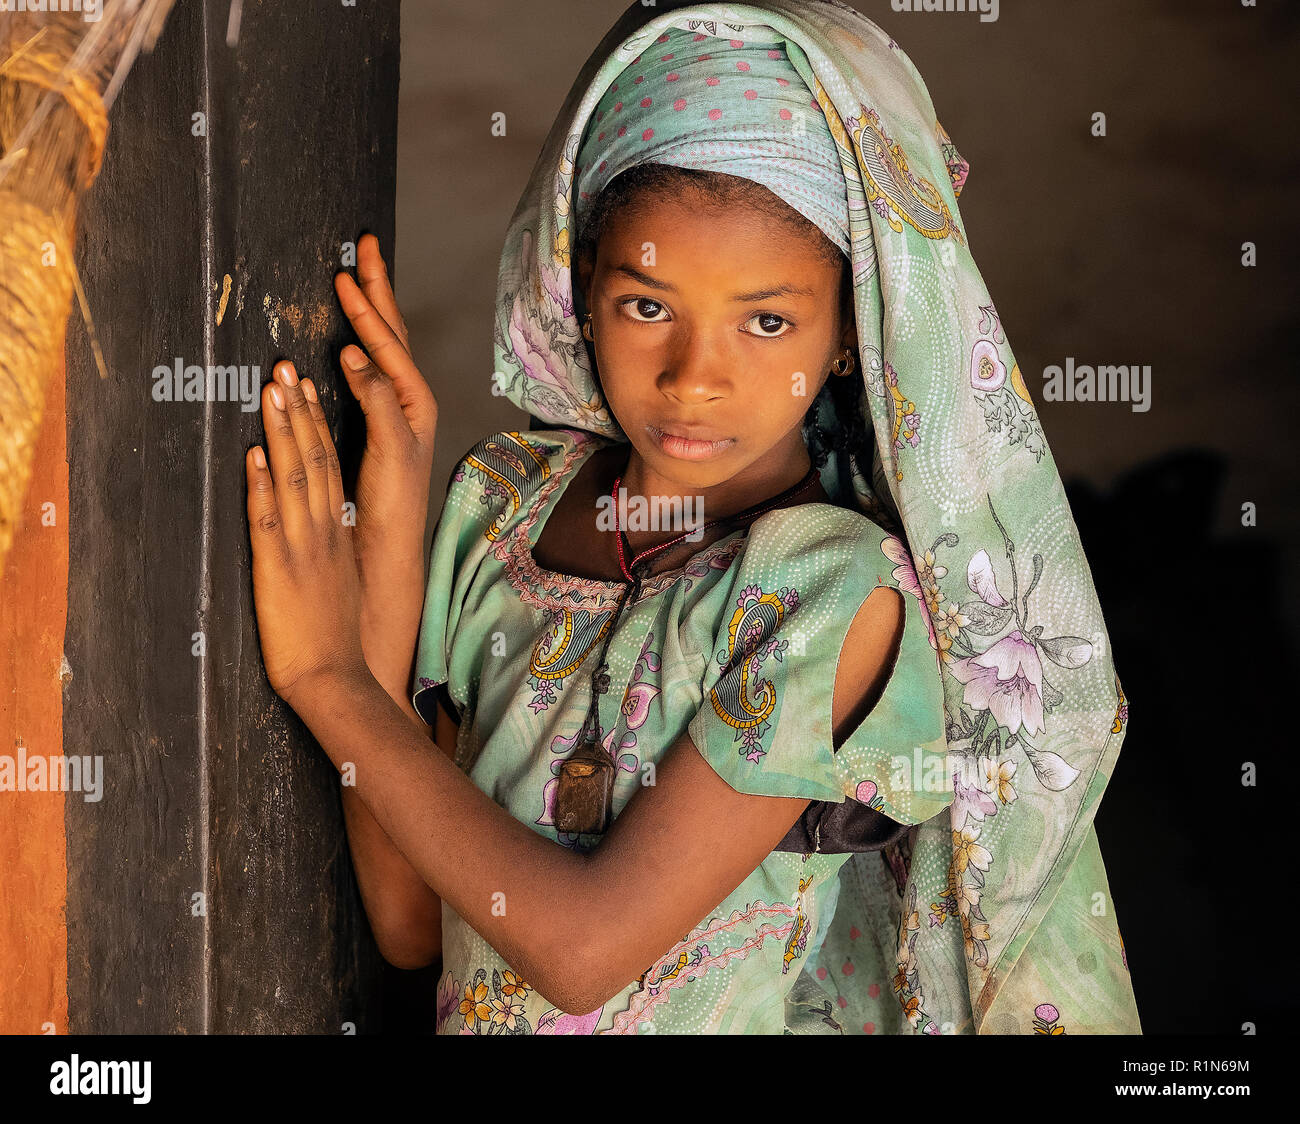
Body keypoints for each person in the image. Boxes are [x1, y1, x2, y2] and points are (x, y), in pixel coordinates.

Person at [244, 0, 1141, 1035]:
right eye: (646, 304)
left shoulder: (839, 593)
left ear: (851, 327)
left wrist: (326, 679)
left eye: (767, 321)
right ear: (581, 291)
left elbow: (581, 952)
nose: (695, 378)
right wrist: (393, 534)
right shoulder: (499, 506)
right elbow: (409, 920)